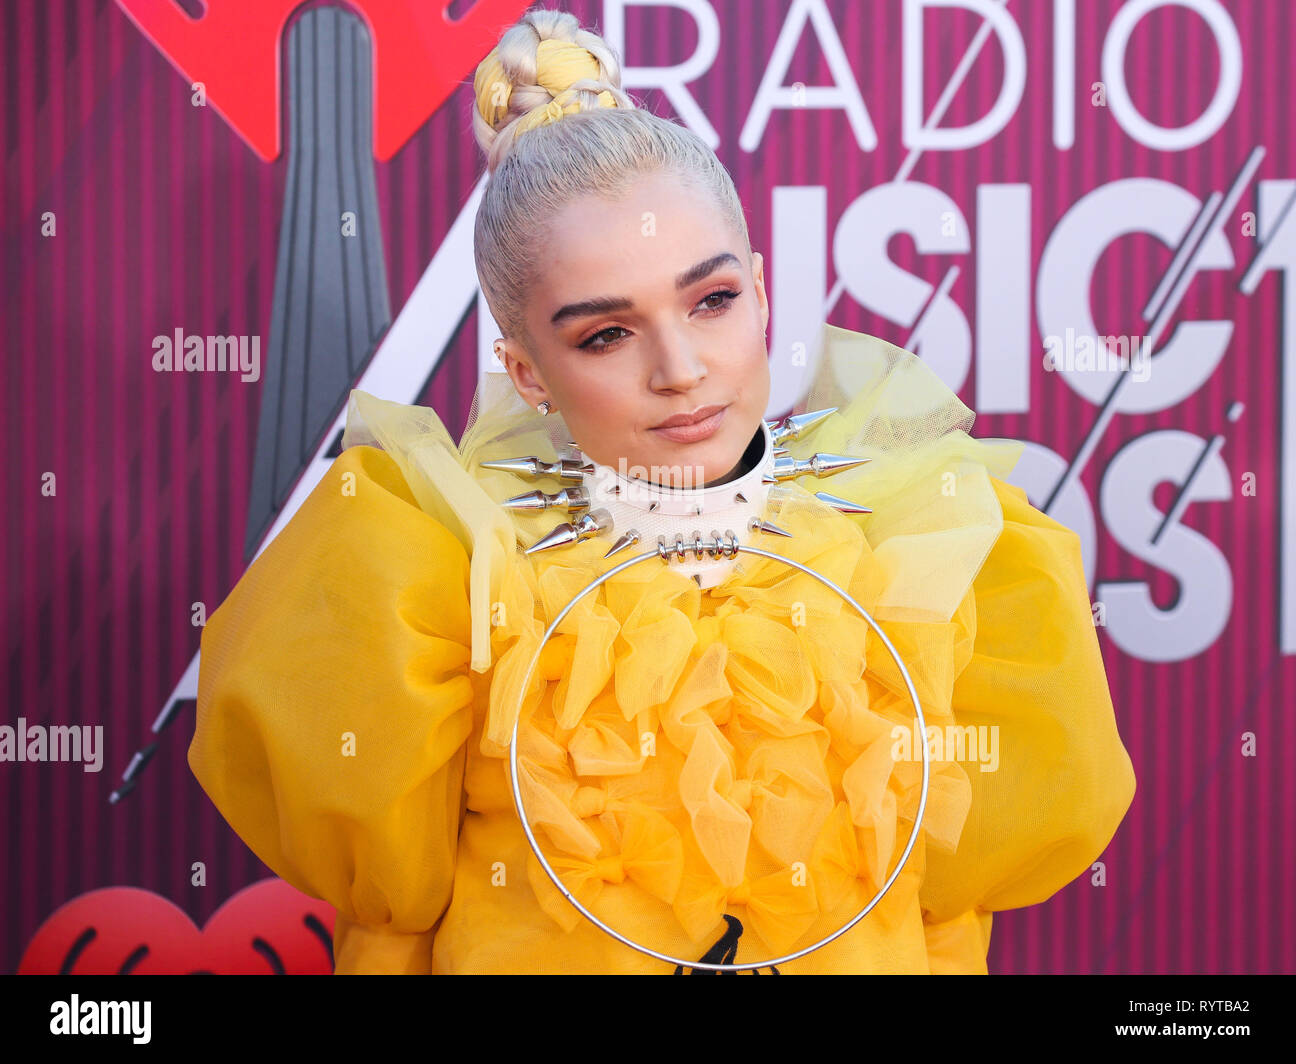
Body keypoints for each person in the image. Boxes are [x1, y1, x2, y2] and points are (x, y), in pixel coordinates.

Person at [187, 7, 1136, 975]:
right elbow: (392, 935)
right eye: (605, 334)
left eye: (711, 300)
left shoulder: (930, 559)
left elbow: (945, 928)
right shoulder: (433, 579)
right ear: (525, 371)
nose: (680, 368)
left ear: (761, 294)